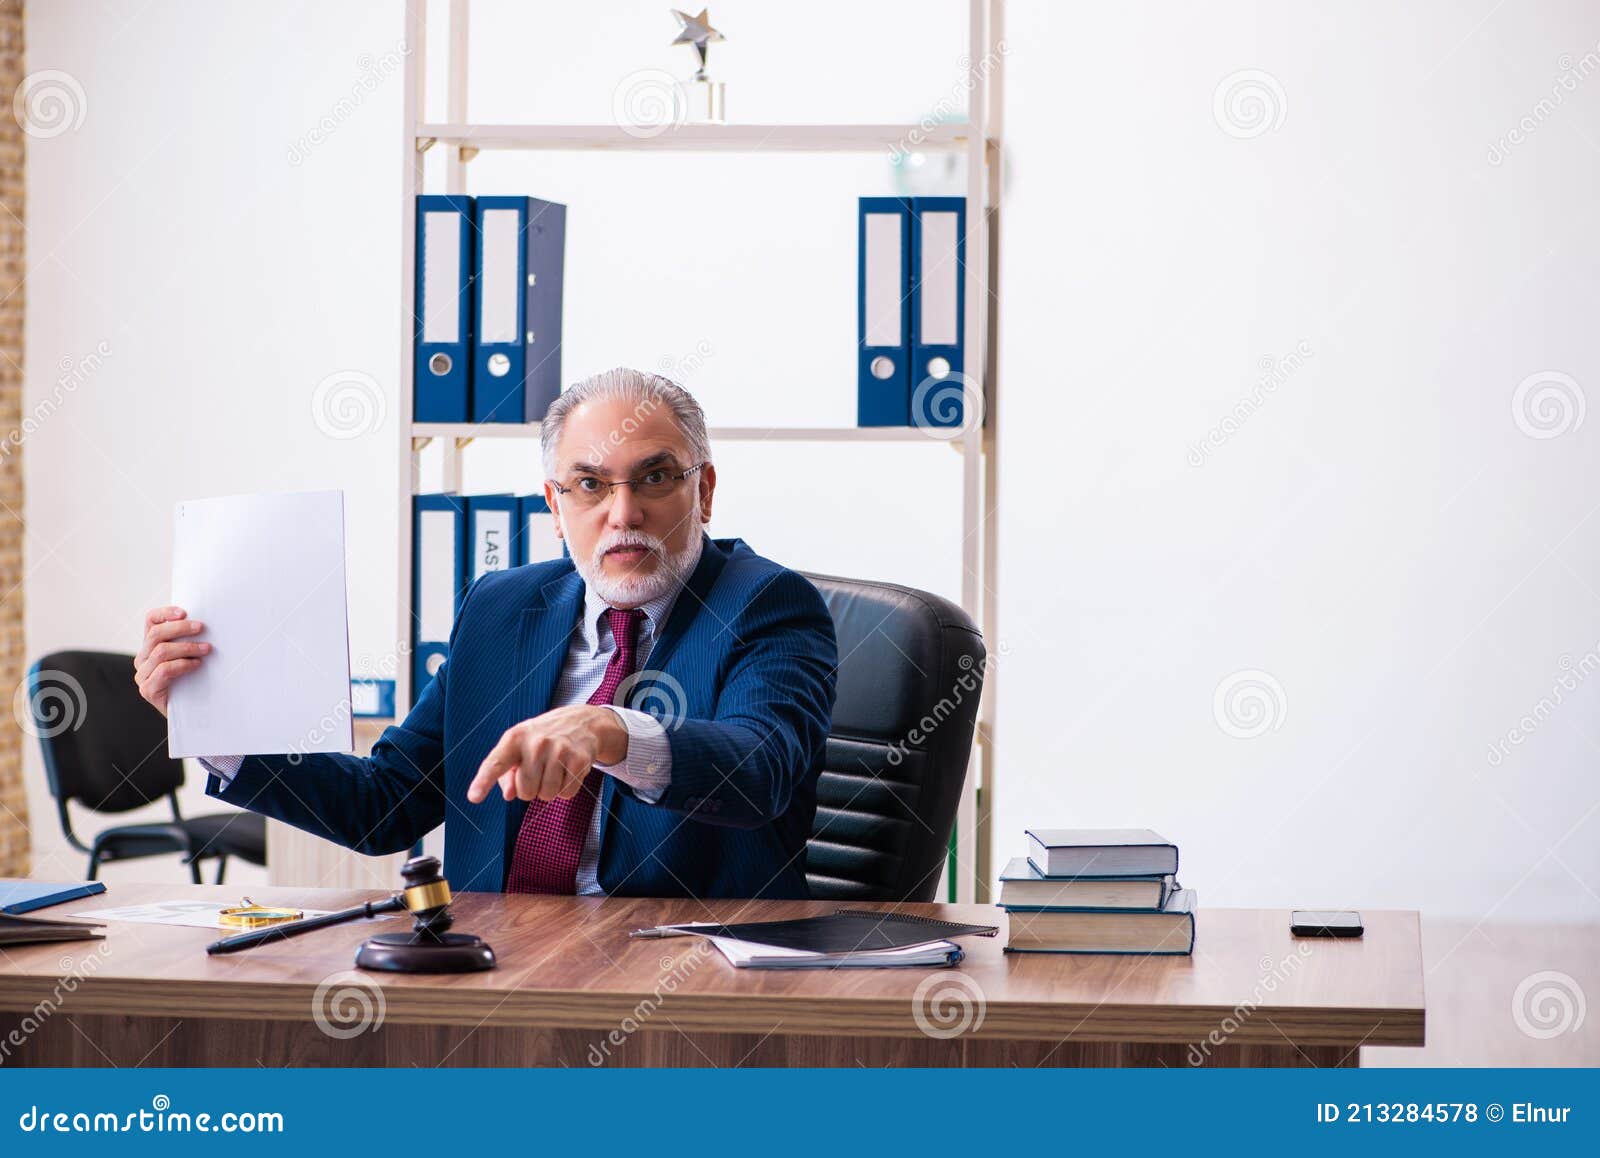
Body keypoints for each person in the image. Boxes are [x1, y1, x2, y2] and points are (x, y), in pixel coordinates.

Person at [134, 368, 837, 898]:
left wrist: (607, 732)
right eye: (589, 485)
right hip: (496, 967)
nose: (623, 513)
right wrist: (216, 721)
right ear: (554, 507)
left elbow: (759, 771)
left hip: (677, 984)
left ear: (704, 491)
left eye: (654, 478)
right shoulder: (502, 607)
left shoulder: (768, 604)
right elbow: (386, 805)